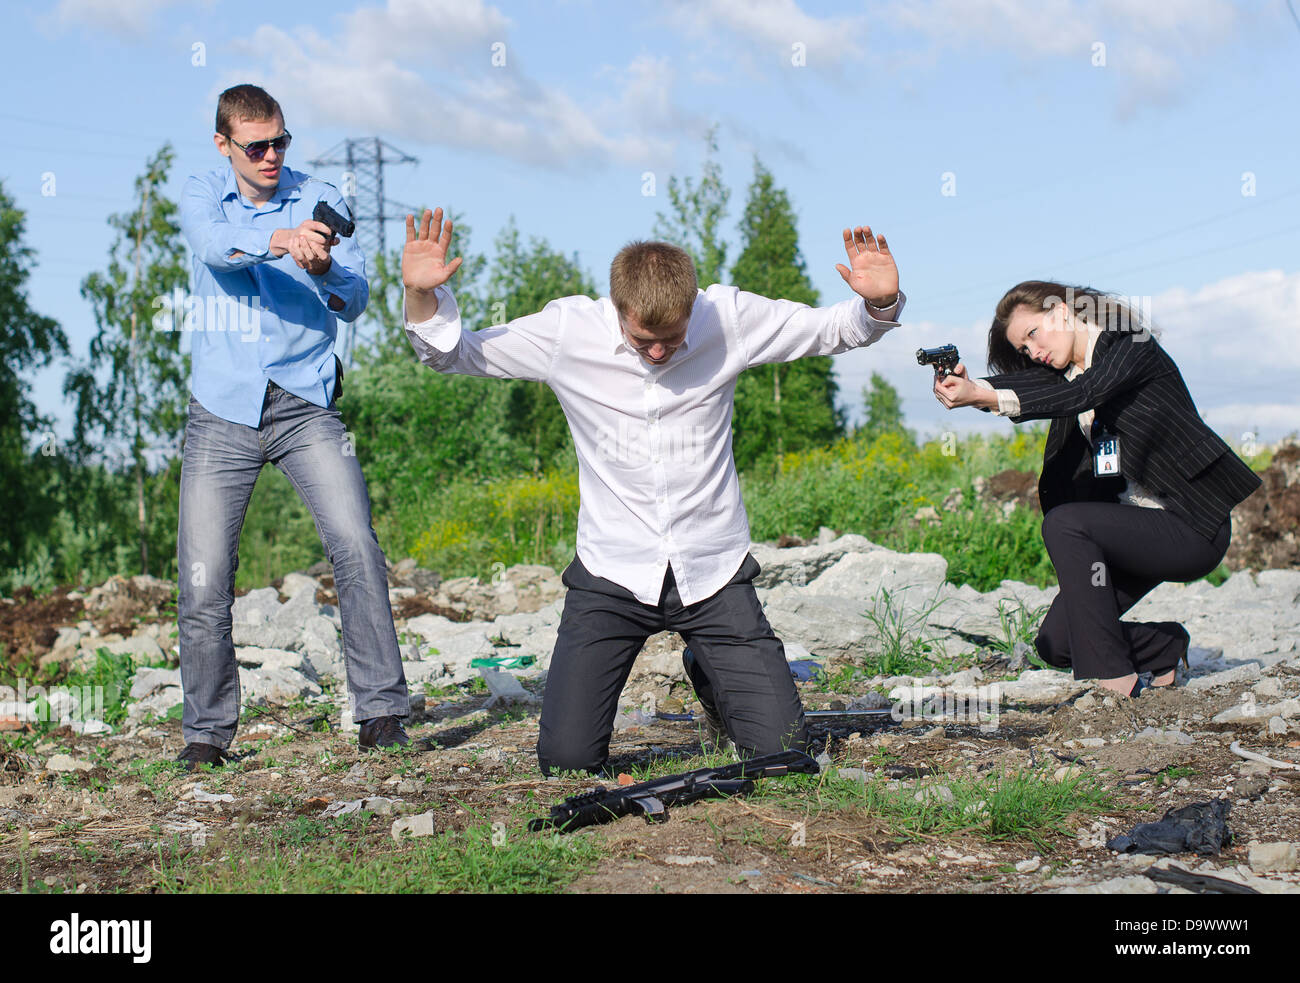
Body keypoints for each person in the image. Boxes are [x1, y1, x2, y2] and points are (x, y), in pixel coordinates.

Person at [401, 208, 905, 774]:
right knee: (567, 761)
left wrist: (878, 303)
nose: (660, 352)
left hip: (712, 569)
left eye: (672, 338)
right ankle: (692, 672)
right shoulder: (568, 331)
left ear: (693, 308)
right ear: (618, 309)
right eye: (645, 339)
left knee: (782, 755)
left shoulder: (728, 316)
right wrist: (421, 297)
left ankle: (712, 673)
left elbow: (837, 329)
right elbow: (452, 353)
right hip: (612, 570)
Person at [175, 84, 409, 769]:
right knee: (203, 574)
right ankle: (207, 733)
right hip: (221, 409)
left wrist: (326, 266)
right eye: (257, 146)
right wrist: (280, 240)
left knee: (356, 544)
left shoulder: (320, 197)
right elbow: (216, 247)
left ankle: (383, 712)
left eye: (280, 141)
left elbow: (357, 300)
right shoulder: (201, 191)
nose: (272, 155)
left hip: (306, 403)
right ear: (225, 146)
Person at [934, 281, 1262, 696]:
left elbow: (1083, 392)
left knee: (1066, 523)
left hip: (1192, 525)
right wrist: (972, 390)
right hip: (1136, 533)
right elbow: (1047, 389)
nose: (1032, 353)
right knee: (1057, 642)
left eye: (1032, 335)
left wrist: (984, 393)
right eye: (1022, 351)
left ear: (1062, 311)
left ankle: (1116, 683)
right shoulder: (1066, 375)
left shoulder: (1129, 344)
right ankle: (1163, 645)